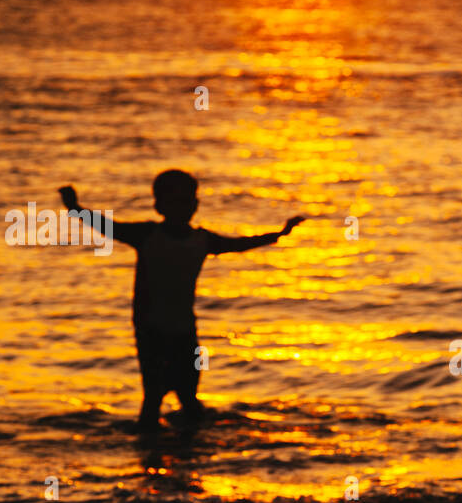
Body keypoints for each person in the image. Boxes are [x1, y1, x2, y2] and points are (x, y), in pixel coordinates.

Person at [57, 171, 306, 434]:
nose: (182, 208)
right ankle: (150, 458)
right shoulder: (146, 235)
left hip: (185, 331)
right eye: (174, 202)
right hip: (150, 332)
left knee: (188, 397)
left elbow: (240, 244)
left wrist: (280, 234)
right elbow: (106, 225)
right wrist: (74, 208)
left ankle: (190, 455)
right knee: (153, 397)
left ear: (196, 205)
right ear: (159, 206)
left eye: (187, 202)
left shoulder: (202, 240)